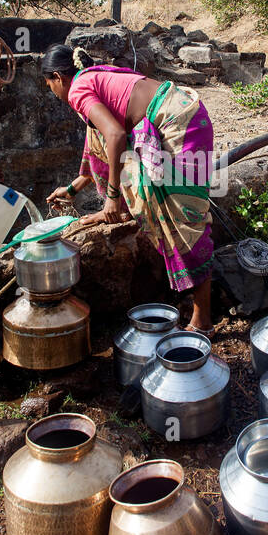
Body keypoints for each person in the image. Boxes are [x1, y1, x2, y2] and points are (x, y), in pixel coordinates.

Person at [43, 45, 216, 334]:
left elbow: (116, 134)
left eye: (49, 85)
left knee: (185, 219)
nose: (52, 91)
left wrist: (111, 198)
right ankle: (120, 209)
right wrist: (73, 189)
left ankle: (202, 321)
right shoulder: (94, 76)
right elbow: (99, 139)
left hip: (178, 123)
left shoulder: (77, 89)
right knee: (94, 130)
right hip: (182, 111)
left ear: (58, 77)